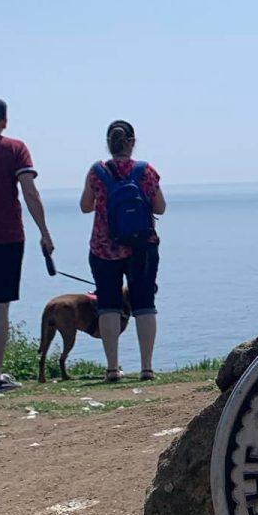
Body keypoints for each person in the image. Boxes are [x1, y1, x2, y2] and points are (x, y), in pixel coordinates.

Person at [0, 96, 54, 395]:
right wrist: (45, 233)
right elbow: (30, 194)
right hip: (5, 238)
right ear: (3, 121)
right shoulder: (15, 149)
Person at [80, 120, 166, 382]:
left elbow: (85, 206)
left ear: (108, 142)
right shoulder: (145, 171)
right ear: (132, 141)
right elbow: (160, 208)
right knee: (145, 305)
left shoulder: (97, 172)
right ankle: (147, 368)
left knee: (108, 305)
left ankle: (112, 369)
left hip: (104, 248)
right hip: (142, 247)